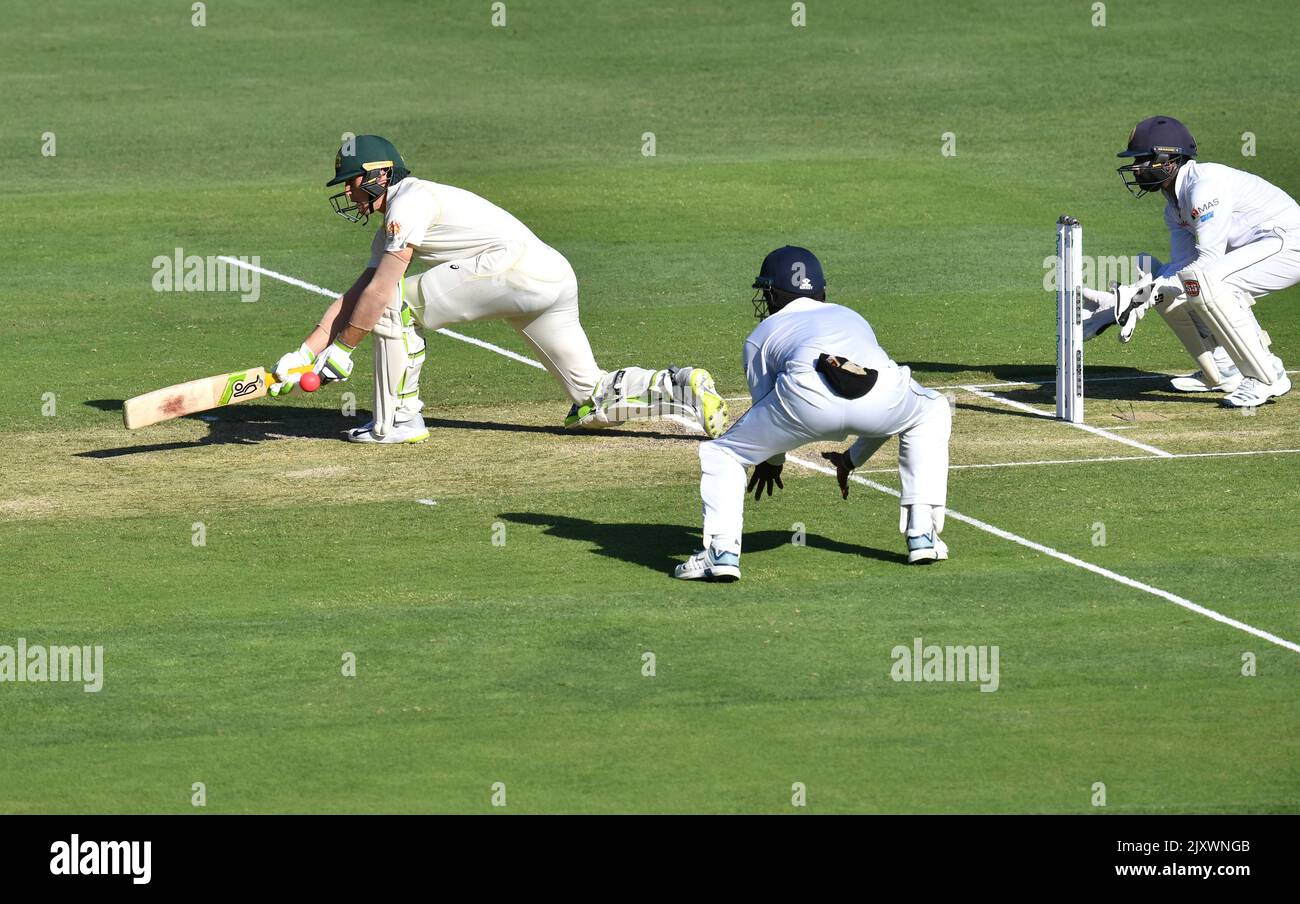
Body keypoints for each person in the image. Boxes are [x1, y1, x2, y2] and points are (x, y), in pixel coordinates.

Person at [269, 135, 728, 442]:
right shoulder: (398, 217)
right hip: (548, 276)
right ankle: (681, 385)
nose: (348, 194)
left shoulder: (408, 205)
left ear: (378, 175)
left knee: (393, 305)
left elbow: (381, 292)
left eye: (350, 183)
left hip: (514, 270)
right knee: (591, 401)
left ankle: (398, 420)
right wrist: (305, 353)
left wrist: (345, 347)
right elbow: (356, 295)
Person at [674, 246, 953, 582]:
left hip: (803, 402)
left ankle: (722, 552)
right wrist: (852, 459)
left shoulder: (760, 337)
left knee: (723, 453)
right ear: (821, 290)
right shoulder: (852, 316)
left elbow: (765, 408)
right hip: (881, 393)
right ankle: (922, 534)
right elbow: (871, 399)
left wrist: (772, 461)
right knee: (933, 410)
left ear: (772, 293)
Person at [1082, 115, 1297, 407]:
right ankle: (1223, 366)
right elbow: (1182, 267)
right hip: (1262, 247)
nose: (1135, 168)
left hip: (1289, 244)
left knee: (1209, 283)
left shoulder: (1204, 188)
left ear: (1168, 159)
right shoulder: (1174, 208)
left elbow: (1207, 262)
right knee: (1162, 274)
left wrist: (1144, 296)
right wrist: (1122, 303)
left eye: (1143, 159)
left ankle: (1267, 375)